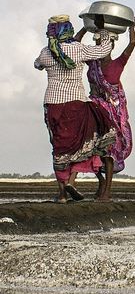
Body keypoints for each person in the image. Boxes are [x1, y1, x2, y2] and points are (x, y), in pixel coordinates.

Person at [34, 15, 117, 203]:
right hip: (75, 104)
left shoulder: (46, 52)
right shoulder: (78, 50)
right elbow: (105, 49)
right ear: (69, 31)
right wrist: (102, 29)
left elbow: (37, 64)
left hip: (52, 105)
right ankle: (72, 180)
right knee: (81, 143)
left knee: (59, 147)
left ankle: (62, 194)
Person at [84, 24, 135, 201]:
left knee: (109, 153)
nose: (101, 48)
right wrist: (86, 29)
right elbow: (75, 44)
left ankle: (107, 191)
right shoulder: (92, 62)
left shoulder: (117, 63)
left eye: (104, 44)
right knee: (91, 150)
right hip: (94, 110)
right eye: (97, 44)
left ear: (111, 46)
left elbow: (133, 43)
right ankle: (101, 183)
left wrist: (131, 27)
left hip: (113, 115)